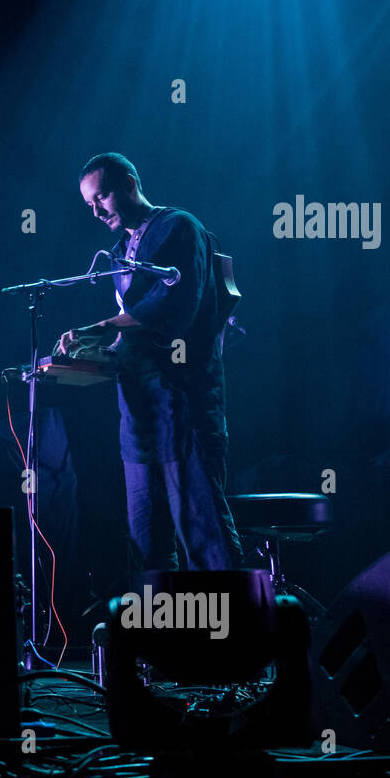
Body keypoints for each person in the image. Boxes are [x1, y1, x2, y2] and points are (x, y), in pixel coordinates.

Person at [54, 153, 241, 575]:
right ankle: (162, 639)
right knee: (146, 545)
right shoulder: (121, 251)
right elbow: (131, 337)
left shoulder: (179, 228)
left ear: (130, 184)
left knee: (203, 536)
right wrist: (88, 352)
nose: (97, 211)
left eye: (101, 197)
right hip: (138, 418)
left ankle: (238, 634)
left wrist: (103, 326)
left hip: (182, 407)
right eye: (89, 204)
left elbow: (174, 309)